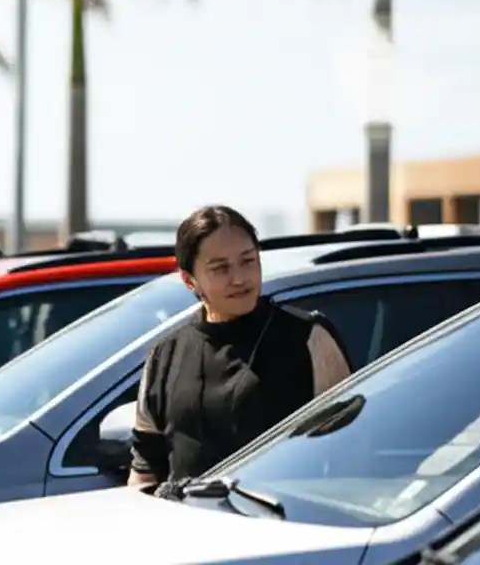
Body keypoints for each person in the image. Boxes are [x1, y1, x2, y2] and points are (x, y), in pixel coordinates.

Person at [127, 205, 353, 495]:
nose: (239, 278)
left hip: (288, 528)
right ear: (188, 279)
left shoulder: (309, 339)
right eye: (220, 268)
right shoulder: (164, 356)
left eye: (248, 261)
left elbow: (348, 450)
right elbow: (145, 471)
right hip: (189, 530)